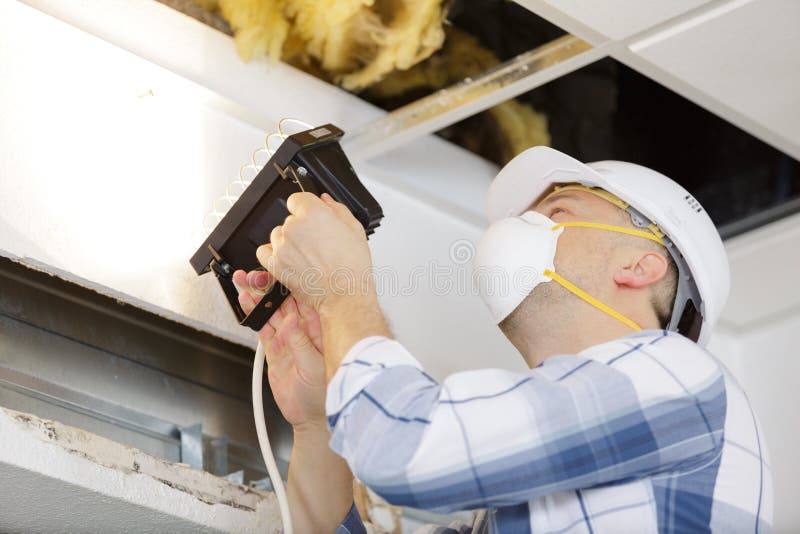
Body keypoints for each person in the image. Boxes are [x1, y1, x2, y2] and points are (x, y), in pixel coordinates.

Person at [234, 147, 772, 533]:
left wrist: (341, 291)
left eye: (558, 210)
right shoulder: (502, 507)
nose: (523, 225)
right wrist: (319, 422)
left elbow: (401, 452)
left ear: (640, 265)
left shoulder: (679, 375)